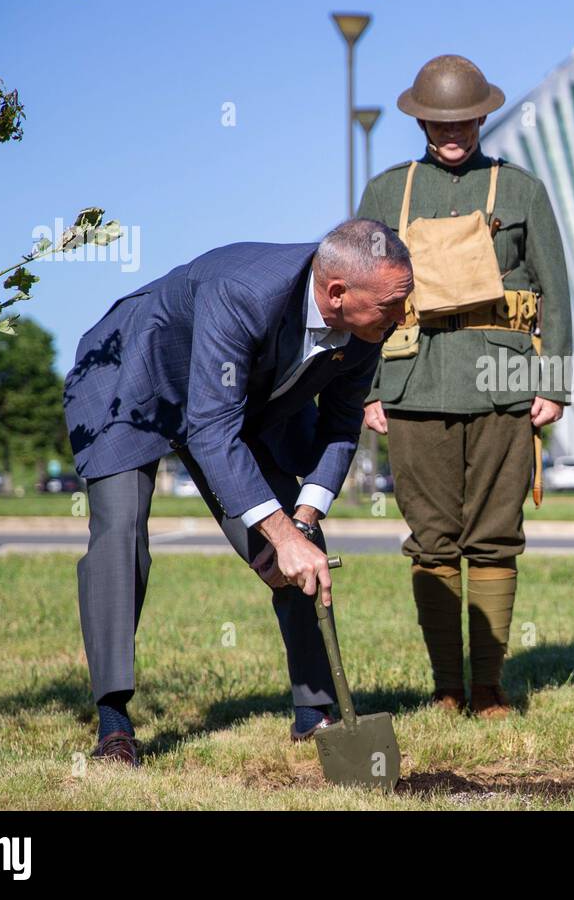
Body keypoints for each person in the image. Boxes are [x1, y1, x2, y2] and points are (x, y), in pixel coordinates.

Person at [63, 220, 413, 765]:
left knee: (301, 544)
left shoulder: (367, 330)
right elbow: (209, 429)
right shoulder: (244, 293)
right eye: (393, 304)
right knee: (120, 530)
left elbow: (342, 427)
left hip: (230, 405)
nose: (402, 317)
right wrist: (277, 530)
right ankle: (114, 723)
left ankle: (315, 711)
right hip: (132, 380)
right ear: (338, 292)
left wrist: (298, 522)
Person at [357, 54, 572, 717]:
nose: (453, 131)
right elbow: (360, 298)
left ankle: (488, 688)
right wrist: (366, 390)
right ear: (420, 119)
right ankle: (447, 687)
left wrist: (554, 383)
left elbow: (557, 292)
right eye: (439, 121)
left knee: (496, 536)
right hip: (412, 382)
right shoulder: (385, 192)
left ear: (483, 115)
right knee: (431, 540)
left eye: (464, 119)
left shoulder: (522, 189)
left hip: (506, 380)